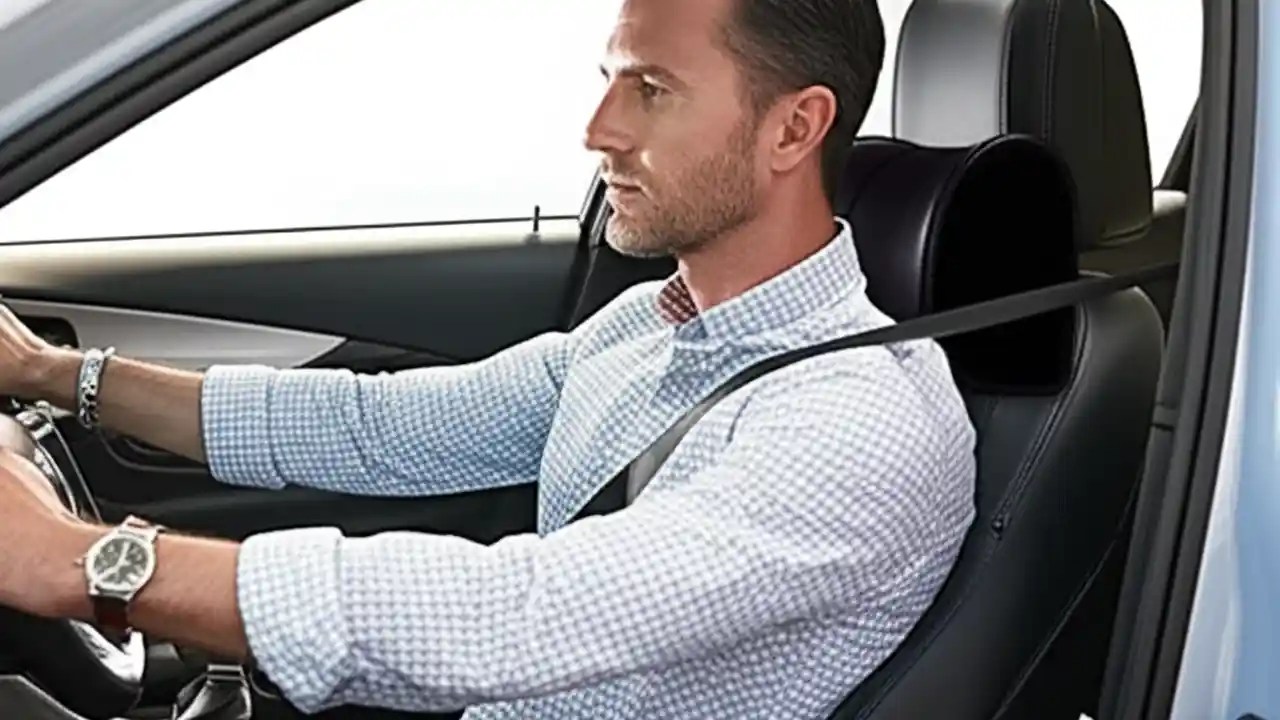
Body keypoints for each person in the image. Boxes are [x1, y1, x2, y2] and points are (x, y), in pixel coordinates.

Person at [0, 0, 977, 717]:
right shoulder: (653, 325)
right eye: (607, 80)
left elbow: (519, 614)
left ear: (792, 128)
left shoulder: (856, 421)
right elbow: (383, 429)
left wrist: (89, 563)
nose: (599, 131)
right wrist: (56, 376)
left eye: (652, 90)